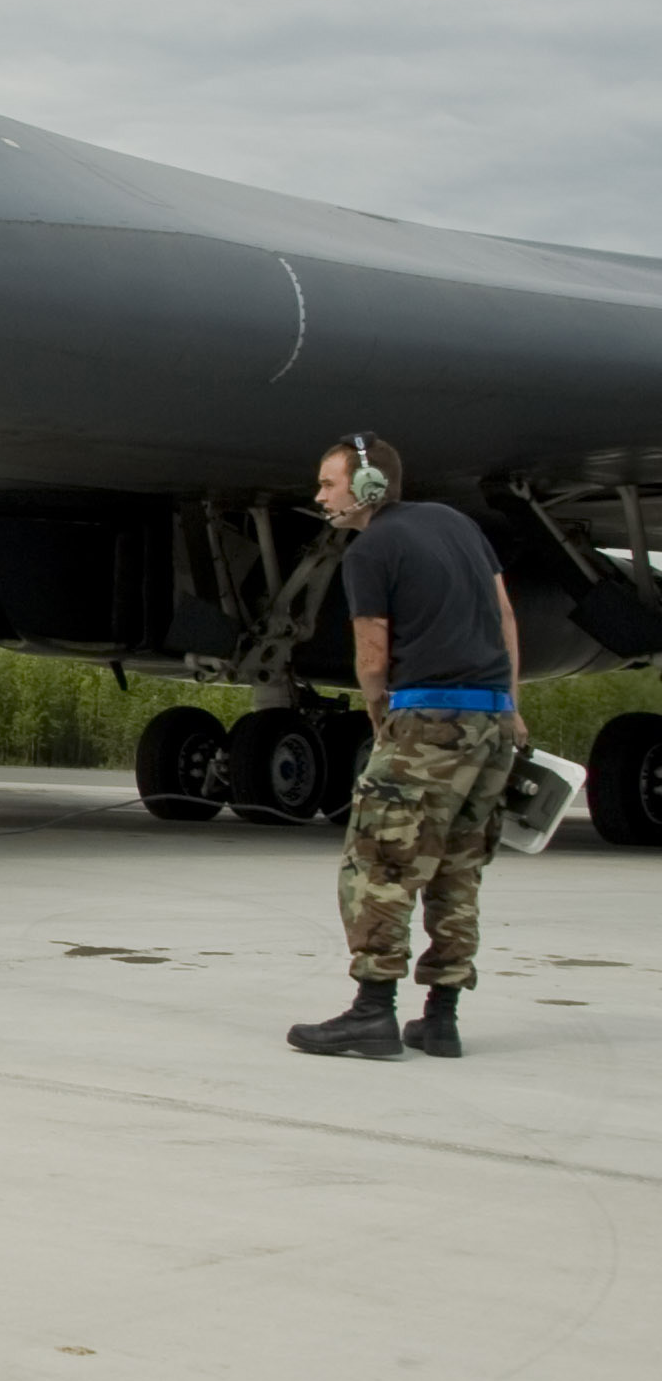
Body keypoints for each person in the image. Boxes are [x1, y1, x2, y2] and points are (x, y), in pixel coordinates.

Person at [287, 432, 524, 1060]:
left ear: (367, 487)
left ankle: (372, 1012)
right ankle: (440, 1020)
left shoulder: (369, 551)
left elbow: (371, 658)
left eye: (328, 482)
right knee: (456, 866)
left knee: (379, 862)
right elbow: (504, 618)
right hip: (493, 722)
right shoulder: (456, 523)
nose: (319, 495)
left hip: (428, 723)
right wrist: (513, 708)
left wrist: (378, 717)